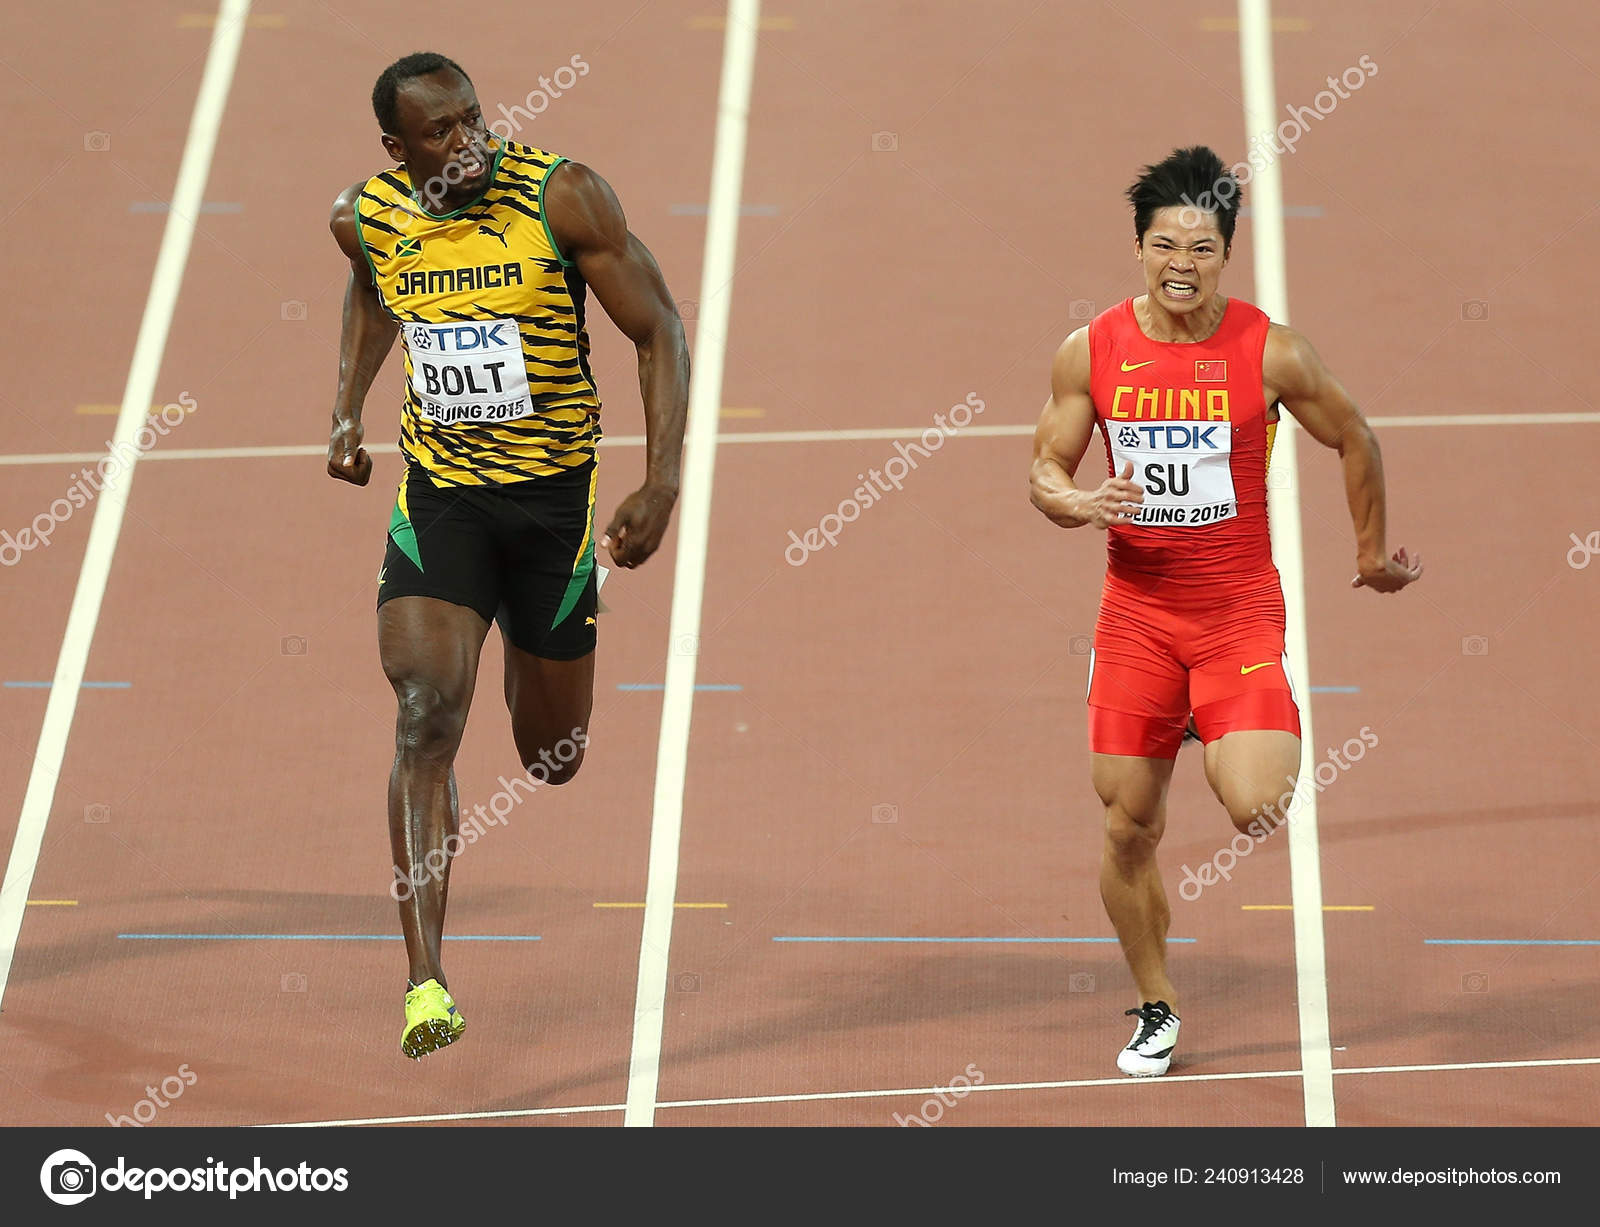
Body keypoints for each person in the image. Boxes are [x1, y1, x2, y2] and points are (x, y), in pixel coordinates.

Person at [325, 52, 689, 1058]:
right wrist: (347, 410)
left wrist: (661, 482)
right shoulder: (368, 216)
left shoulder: (561, 196)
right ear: (398, 150)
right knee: (424, 711)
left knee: (552, 759)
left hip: (551, 508)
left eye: (472, 119)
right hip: (442, 503)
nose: (467, 142)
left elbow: (657, 330)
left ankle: (562, 625)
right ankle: (426, 983)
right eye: (440, 133)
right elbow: (371, 293)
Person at [1028, 146, 1420, 1076]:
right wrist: (1074, 500)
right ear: (1138, 247)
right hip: (1136, 618)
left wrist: (1368, 552)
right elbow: (1046, 465)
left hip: (1237, 615)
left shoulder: (1271, 349)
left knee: (1254, 805)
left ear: (1226, 254)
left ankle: (1232, 712)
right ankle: (1156, 1003)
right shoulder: (1090, 350)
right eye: (1164, 243)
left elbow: (1352, 432)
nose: (1180, 262)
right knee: (1128, 824)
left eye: (1200, 247)